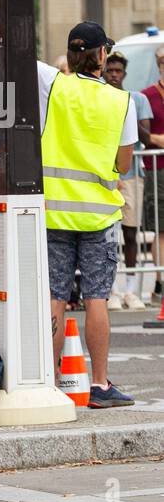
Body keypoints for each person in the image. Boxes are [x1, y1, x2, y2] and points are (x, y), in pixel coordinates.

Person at [0, 0, 137, 408]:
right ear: (103, 55)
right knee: (97, 298)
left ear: (70, 54)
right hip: (101, 215)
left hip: (54, 213)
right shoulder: (123, 102)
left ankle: (50, 382)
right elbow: (123, 165)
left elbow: (2, 42)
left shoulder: (54, 84)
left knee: (55, 297)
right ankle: (100, 385)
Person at [103, 51, 149, 311]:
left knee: (131, 233)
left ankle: (132, 290)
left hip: (131, 175)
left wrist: (126, 109)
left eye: (118, 71)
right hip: (106, 175)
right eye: (110, 71)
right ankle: (113, 289)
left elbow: (145, 135)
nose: (114, 75)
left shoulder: (137, 99)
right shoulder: (99, 99)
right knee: (109, 235)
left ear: (124, 74)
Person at [138, 45, 164, 305]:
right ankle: (160, 281)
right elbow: (144, 135)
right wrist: (159, 139)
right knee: (161, 228)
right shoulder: (147, 95)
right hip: (158, 168)